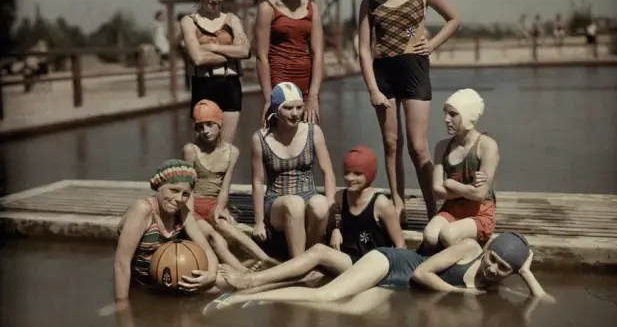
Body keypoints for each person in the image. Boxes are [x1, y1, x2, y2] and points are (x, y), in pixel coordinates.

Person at [357, 0, 461, 225]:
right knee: (391, 144)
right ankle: (398, 205)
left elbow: (453, 19)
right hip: (383, 75)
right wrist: (372, 89)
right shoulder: (370, 2)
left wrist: (433, 44)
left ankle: (433, 210)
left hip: (414, 70)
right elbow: (364, 49)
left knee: (418, 147)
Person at [220, 144, 405, 290]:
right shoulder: (342, 197)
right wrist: (335, 230)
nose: (350, 178)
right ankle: (258, 288)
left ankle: (251, 279)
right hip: (348, 260)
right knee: (307, 275)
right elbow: (334, 222)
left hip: (370, 264)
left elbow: (400, 246)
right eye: (347, 173)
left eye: (357, 174)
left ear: (370, 175)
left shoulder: (381, 204)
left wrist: (394, 280)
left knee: (317, 251)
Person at [208, 232, 549, 309]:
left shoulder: (498, 282)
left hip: (394, 287)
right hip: (393, 263)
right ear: (488, 250)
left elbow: (543, 303)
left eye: (503, 269)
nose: (492, 269)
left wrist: (527, 273)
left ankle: (274, 297)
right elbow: (423, 274)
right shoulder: (472, 248)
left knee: (350, 312)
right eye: (494, 260)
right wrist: (463, 292)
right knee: (328, 295)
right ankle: (244, 295)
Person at [183, 99, 278, 271]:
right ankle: (245, 274)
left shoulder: (232, 152)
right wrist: (187, 216)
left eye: (210, 124)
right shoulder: (191, 150)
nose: (205, 131)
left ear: (220, 124)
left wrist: (220, 207)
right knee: (215, 238)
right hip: (192, 206)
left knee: (228, 228)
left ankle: (269, 262)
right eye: (200, 126)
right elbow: (186, 188)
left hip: (213, 205)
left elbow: (225, 187)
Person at [112, 159, 222, 304]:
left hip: (174, 276)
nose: (179, 199)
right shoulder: (142, 209)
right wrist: (122, 307)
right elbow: (121, 263)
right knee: (228, 283)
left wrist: (210, 276)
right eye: (174, 190)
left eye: (185, 194)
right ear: (158, 186)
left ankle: (256, 283)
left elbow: (207, 249)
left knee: (227, 276)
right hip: (145, 285)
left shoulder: (182, 211)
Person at [251, 81, 336, 260]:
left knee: (320, 205)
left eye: (299, 107)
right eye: (288, 108)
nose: (295, 113)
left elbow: (327, 172)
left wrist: (331, 213)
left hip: (308, 194)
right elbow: (258, 183)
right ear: (276, 109)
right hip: (277, 203)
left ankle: (310, 258)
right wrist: (258, 222)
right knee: (294, 204)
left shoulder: (314, 132)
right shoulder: (261, 138)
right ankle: (298, 264)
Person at [180, 0, 251, 143]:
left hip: (230, 85)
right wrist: (233, 52)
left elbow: (246, 51)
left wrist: (210, 46)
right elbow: (197, 58)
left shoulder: (232, 19)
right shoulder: (189, 21)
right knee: (204, 148)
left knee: (225, 148)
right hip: (203, 85)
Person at [254, 0, 324, 126]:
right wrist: (268, 98)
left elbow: (318, 53)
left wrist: (314, 95)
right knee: (280, 140)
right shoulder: (267, 8)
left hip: (306, 85)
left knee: (308, 138)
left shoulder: (312, 9)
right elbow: (261, 56)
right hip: (279, 83)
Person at [423, 88, 498, 251]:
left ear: (468, 115)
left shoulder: (486, 145)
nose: (446, 119)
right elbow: (436, 190)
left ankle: (473, 258)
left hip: (480, 213)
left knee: (448, 235)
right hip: (452, 209)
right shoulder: (442, 147)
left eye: (453, 114)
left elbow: (481, 194)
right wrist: (469, 189)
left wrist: (450, 183)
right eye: (445, 113)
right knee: (430, 235)